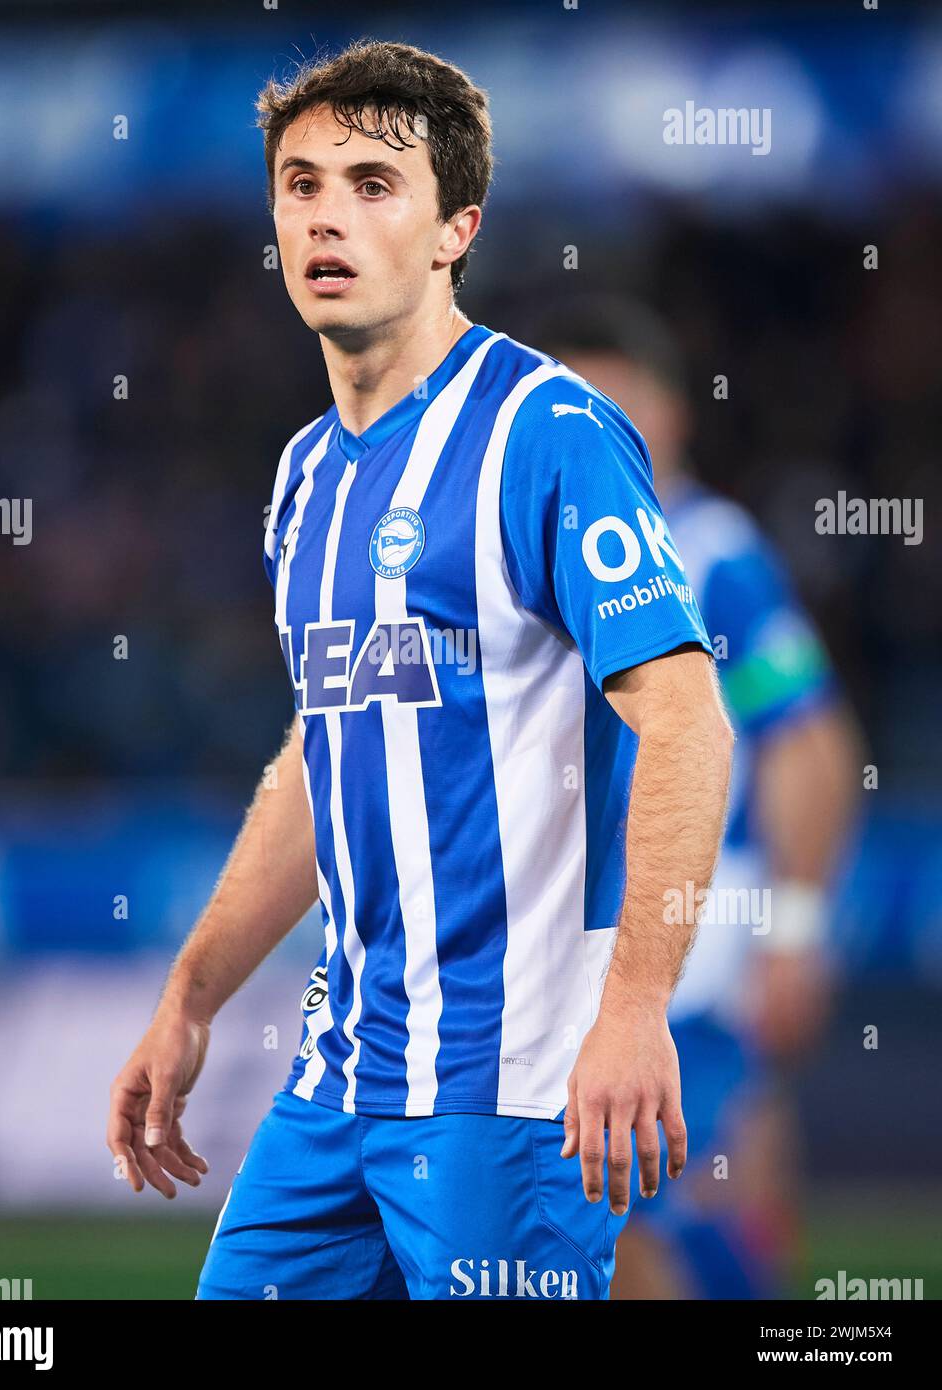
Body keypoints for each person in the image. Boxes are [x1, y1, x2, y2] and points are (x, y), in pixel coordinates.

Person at [107, 41, 733, 1301]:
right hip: (336, 1080)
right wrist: (191, 992)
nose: (324, 212)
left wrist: (634, 1008)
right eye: (299, 183)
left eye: (372, 184)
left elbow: (686, 721)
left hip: (510, 1092)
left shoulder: (541, 434)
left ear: (456, 228)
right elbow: (324, 750)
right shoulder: (303, 476)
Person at [541, 296, 859, 1298]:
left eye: (615, 403)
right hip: (566, 951)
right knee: (620, 1230)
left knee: (668, 1228)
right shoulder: (527, 554)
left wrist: (795, 926)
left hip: (688, 947)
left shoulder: (707, 553)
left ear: (670, 415)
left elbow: (809, 743)